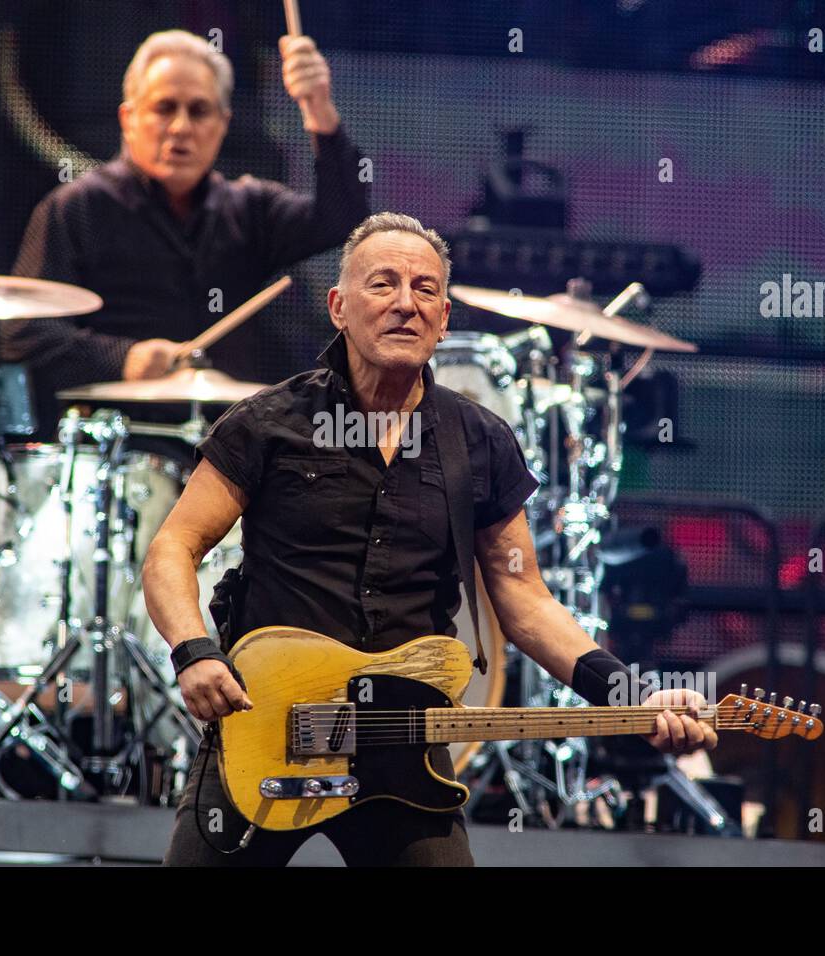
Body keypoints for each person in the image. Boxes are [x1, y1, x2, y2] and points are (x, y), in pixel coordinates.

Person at [142, 212, 718, 866]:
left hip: (403, 748)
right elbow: (172, 548)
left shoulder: (480, 441)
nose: (404, 304)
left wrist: (633, 697)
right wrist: (194, 652)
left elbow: (526, 602)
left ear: (444, 319)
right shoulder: (268, 424)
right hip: (270, 727)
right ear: (338, 307)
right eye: (382, 284)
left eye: (423, 290)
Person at [0, 29, 370, 424]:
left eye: (198, 110)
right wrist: (124, 358)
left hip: (232, 442)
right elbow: (23, 334)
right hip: (121, 442)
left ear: (223, 123)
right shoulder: (77, 208)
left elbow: (342, 219)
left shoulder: (250, 208)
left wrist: (319, 109)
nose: (180, 127)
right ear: (128, 118)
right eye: (164, 108)